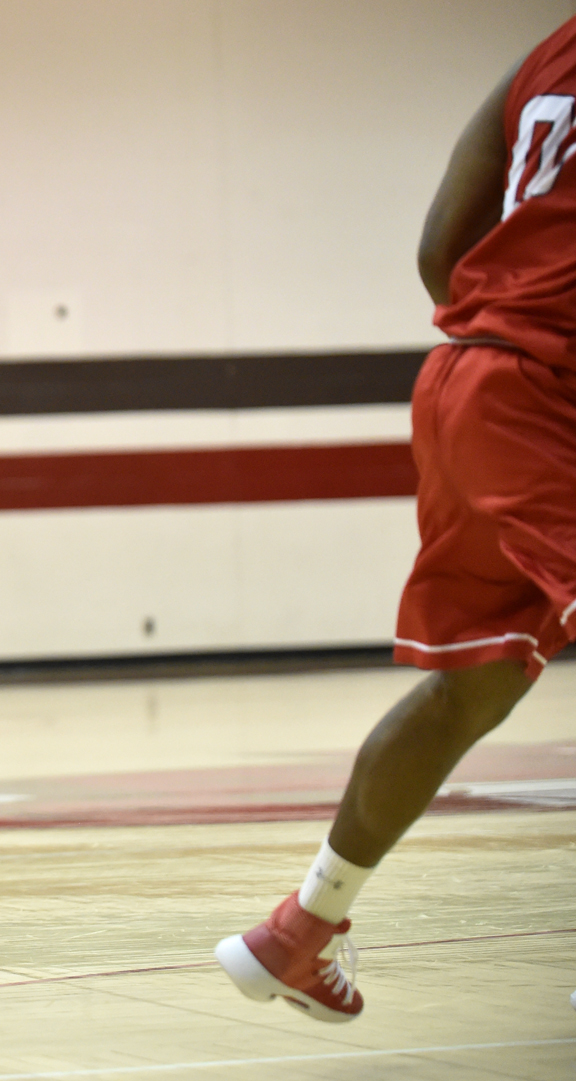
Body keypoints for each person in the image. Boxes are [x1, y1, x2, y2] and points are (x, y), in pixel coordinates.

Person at [216, 16, 576, 1023]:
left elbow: (440, 250)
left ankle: (303, 924)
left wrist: (511, 332)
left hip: (465, 375)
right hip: (546, 390)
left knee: (477, 682)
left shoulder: (546, 53)